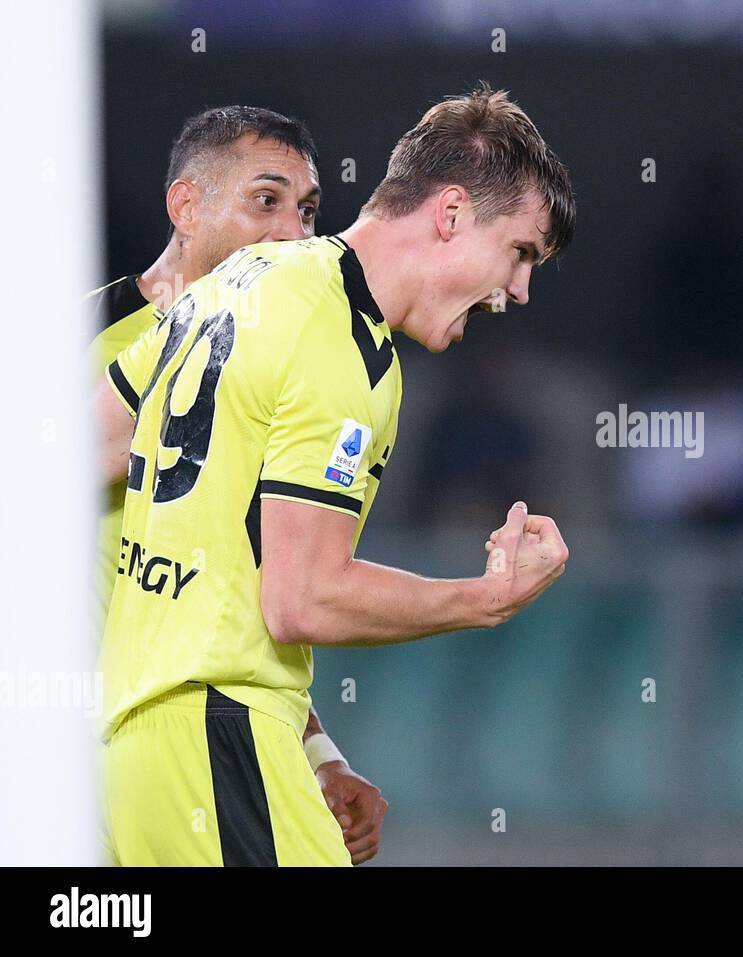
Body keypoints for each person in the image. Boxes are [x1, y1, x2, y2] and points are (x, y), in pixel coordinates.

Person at [92, 87, 553, 864]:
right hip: (221, 740)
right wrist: (482, 598)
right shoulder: (344, 341)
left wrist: (316, 749)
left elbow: (77, 450)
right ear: (449, 214)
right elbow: (299, 597)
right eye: (519, 252)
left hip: (131, 752)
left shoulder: (241, 283)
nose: (520, 290)